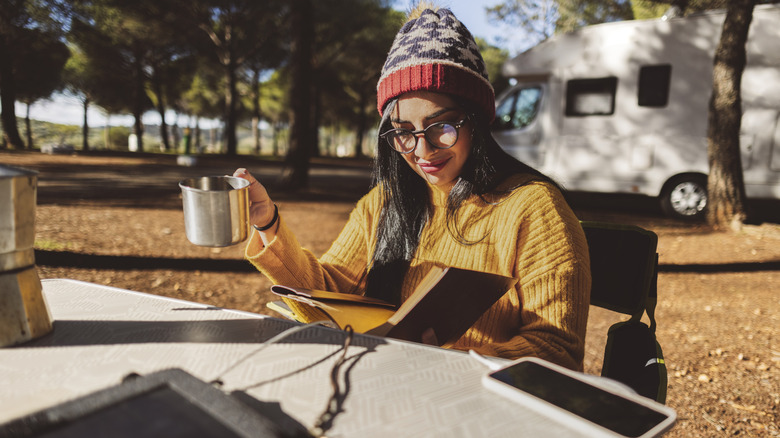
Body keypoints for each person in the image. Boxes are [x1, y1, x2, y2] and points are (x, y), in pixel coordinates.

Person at [235, 4, 591, 370]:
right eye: (404, 132)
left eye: (442, 127)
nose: (422, 151)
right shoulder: (383, 203)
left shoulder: (532, 208)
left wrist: (447, 362)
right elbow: (329, 293)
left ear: (477, 122)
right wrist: (268, 224)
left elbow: (556, 349)